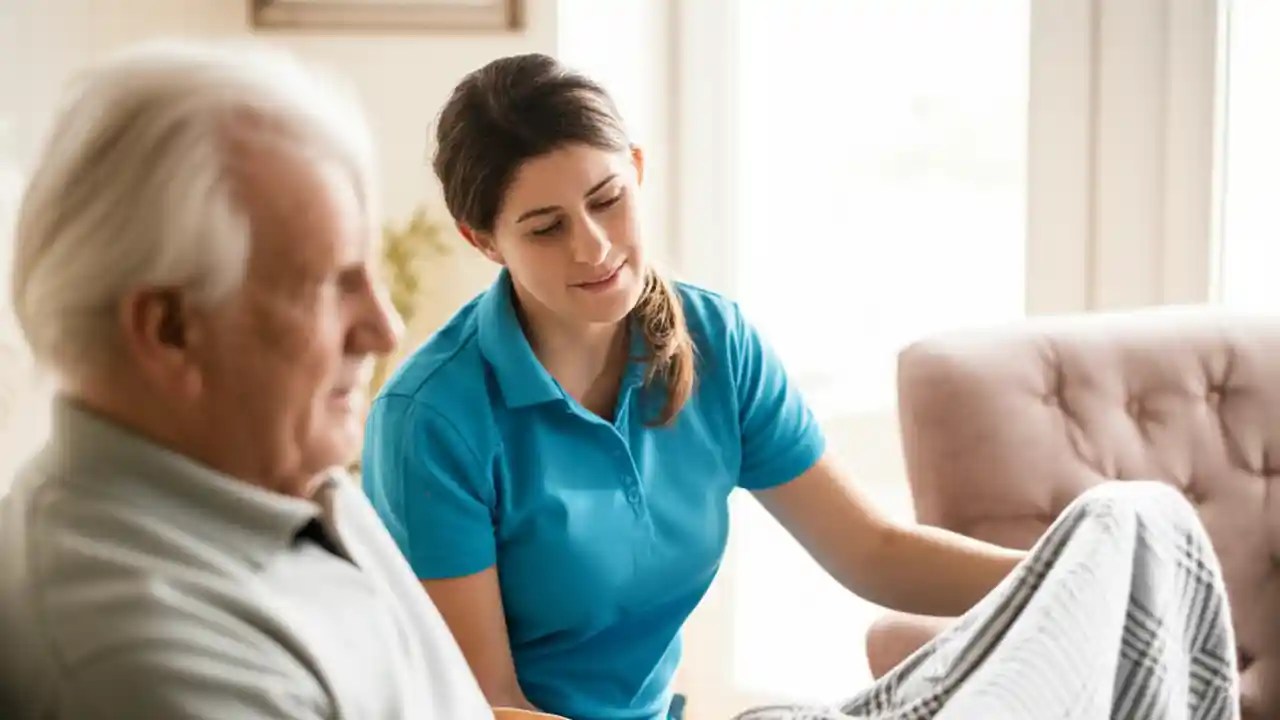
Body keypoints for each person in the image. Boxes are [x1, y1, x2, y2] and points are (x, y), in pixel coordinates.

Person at [361, 53, 1029, 720]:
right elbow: (481, 707)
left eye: (608, 200)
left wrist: (1065, 573)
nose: (592, 247)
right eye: (546, 228)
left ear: (639, 170)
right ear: (485, 241)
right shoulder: (431, 419)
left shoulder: (717, 342)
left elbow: (870, 551)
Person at [0, 40, 496, 719]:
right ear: (170, 330)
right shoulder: (143, 662)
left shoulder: (276, 467)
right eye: (331, 286)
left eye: (372, 274)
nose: (385, 330)